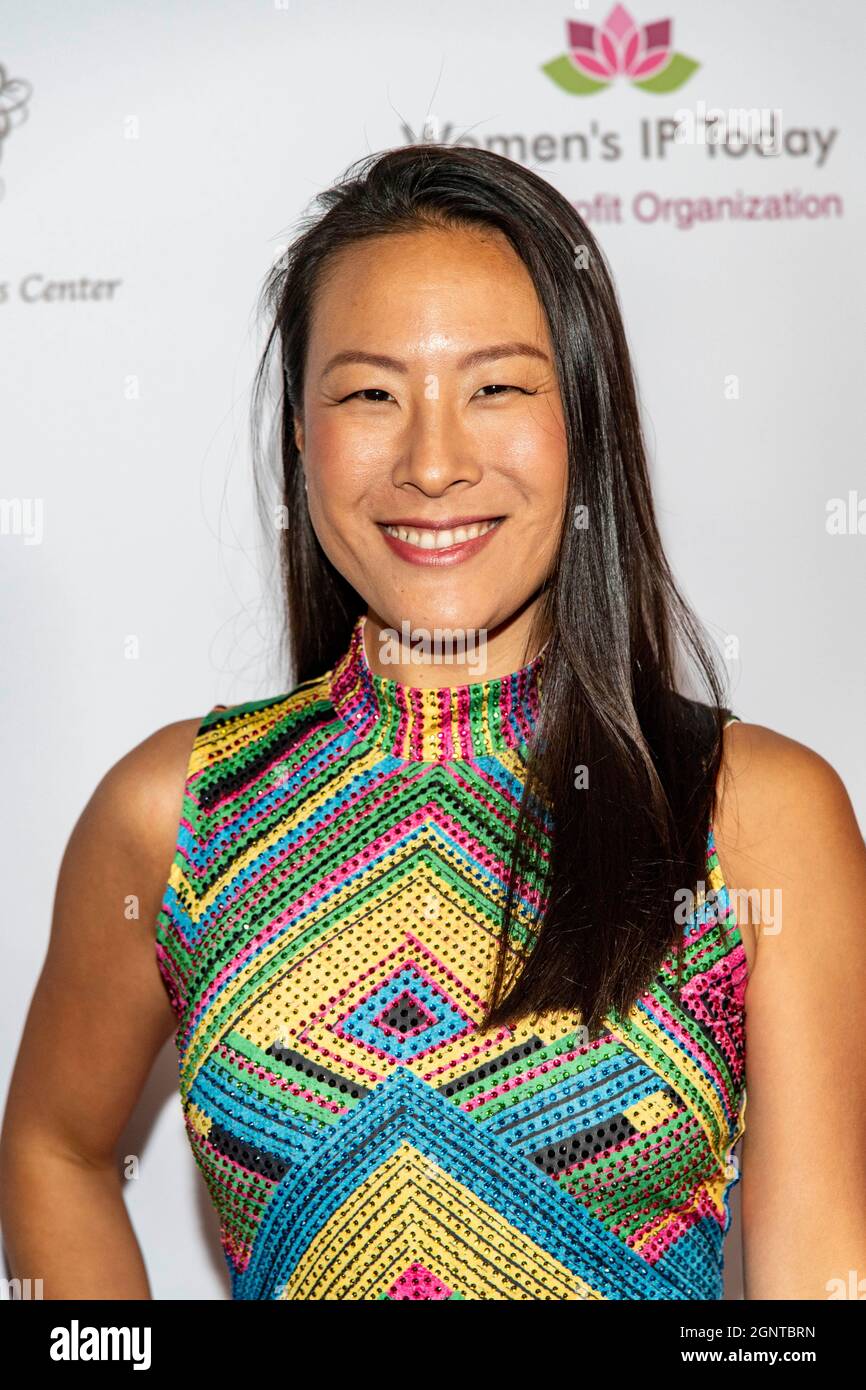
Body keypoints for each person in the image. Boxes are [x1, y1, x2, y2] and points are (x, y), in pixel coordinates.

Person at [2, 144, 865, 1301]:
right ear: (302, 435)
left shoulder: (748, 813)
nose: (433, 461)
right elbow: (53, 1148)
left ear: (584, 423)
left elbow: (821, 1289)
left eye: (497, 387)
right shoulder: (179, 814)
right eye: (369, 394)